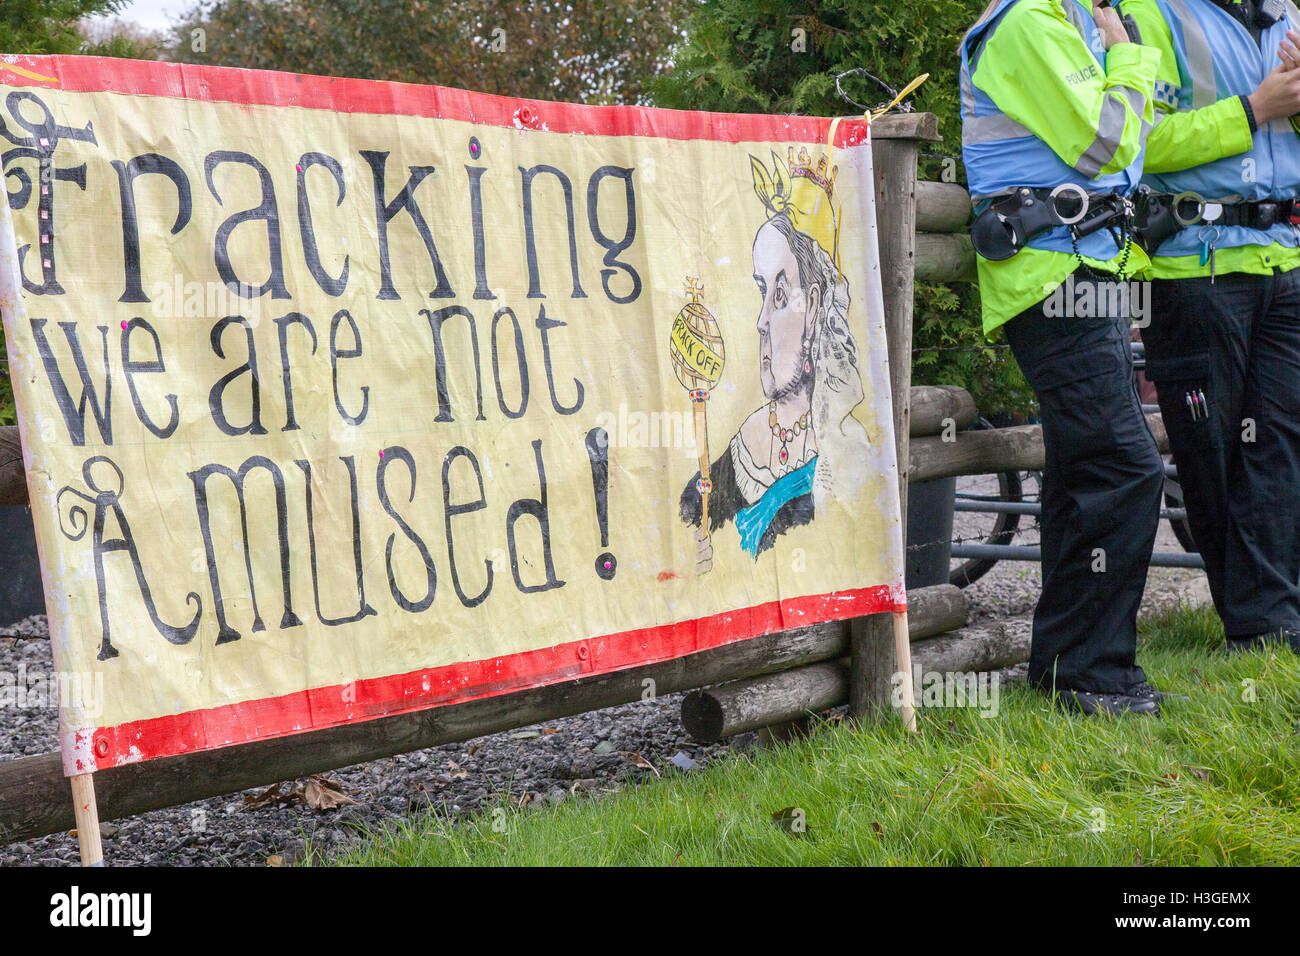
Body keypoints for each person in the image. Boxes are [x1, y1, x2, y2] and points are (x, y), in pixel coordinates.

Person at [961, 0, 1172, 714]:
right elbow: (1109, 149)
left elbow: (1129, 154)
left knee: (1087, 466)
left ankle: (1068, 669)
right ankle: (1092, 672)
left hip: (1086, 267)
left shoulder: (1066, 23)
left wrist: (1119, 60)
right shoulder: (1027, 23)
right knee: (1123, 466)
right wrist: (1130, 59)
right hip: (1050, 274)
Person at [1119, 0, 1300, 655]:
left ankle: (1272, 624)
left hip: (1287, 256)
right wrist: (1254, 109)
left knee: (1280, 446)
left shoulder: (1289, 15)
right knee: (1213, 449)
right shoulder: (1150, 14)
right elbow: (1133, 145)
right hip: (1195, 267)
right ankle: (1257, 624)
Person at [680, 148, 872, 570]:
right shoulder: (744, 443)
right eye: (761, 292)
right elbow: (686, 526)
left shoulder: (845, 457)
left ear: (815, 306)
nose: (761, 321)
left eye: (780, 295)